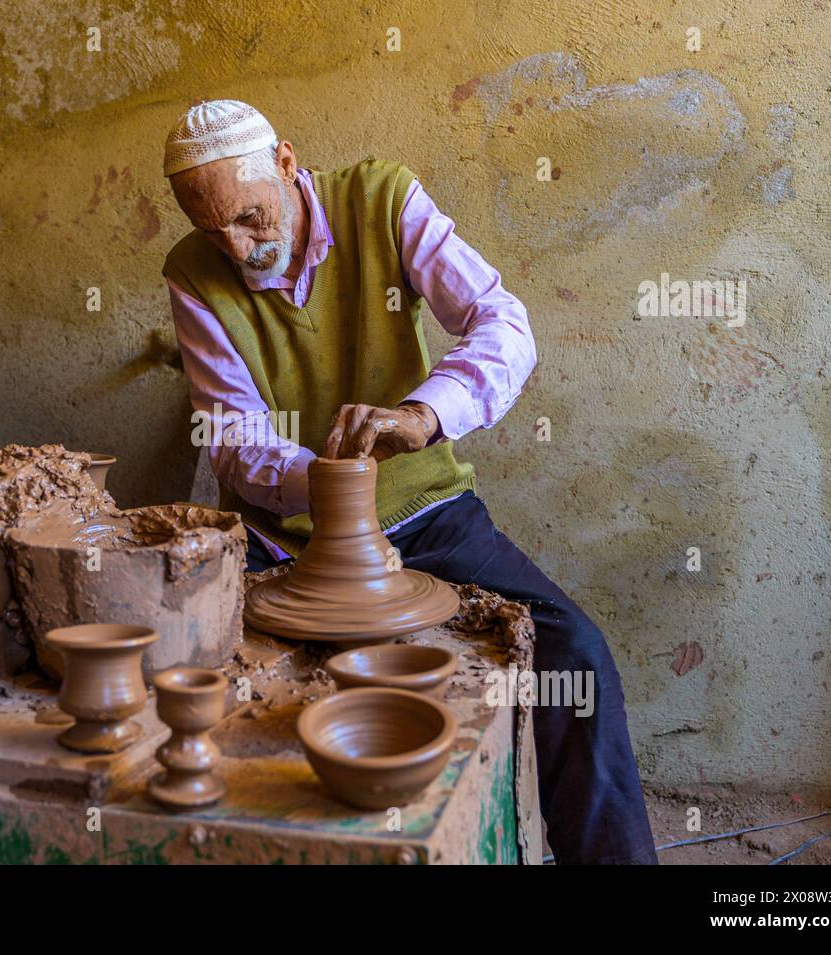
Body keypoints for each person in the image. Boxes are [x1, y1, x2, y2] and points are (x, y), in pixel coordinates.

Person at [161, 100, 657, 864]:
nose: (235, 244)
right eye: (211, 228)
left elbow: (502, 323)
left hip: (429, 513)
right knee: (202, 681)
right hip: (279, 537)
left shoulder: (383, 201)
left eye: (251, 217)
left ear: (288, 163)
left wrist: (425, 415)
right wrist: (328, 483)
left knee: (575, 653)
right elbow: (232, 436)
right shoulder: (195, 275)